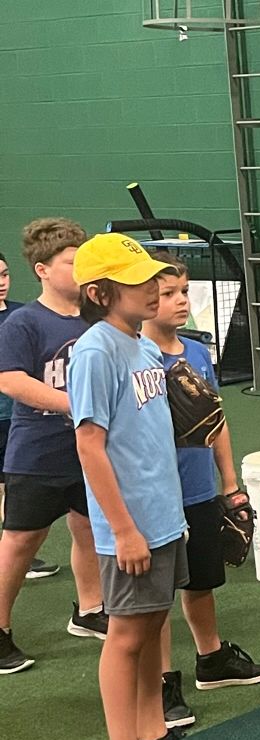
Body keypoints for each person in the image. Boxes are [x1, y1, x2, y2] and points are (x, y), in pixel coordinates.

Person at [66, 233, 185, 740]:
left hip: (163, 517)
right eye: (135, 281)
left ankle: (153, 735)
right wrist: (125, 528)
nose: (150, 288)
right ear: (99, 291)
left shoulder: (140, 345)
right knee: (126, 638)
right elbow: (90, 446)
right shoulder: (96, 350)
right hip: (131, 526)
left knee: (152, 627)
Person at [143, 254, 260, 728]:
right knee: (157, 594)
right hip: (155, 495)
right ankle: (161, 683)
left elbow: (215, 421)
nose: (180, 301)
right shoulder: (135, 357)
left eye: (184, 291)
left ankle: (212, 659)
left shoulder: (196, 353)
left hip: (198, 489)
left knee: (201, 582)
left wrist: (230, 483)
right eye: (167, 294)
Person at [0, 219, 109, 676]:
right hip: (37, 452)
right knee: (22, 540)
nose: (81, 272)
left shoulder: (97, 319)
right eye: (71, 264)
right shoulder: (24, 320)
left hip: (90, 452)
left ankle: (89, 609)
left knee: (88, 528)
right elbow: (11, 380)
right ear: (43, 270)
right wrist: (77, 404)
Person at [0, 249, 62, 585]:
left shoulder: (19, 313)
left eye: (5, 275)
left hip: (19, 420)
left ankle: (90, 608)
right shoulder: (23, 322)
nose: (1, 284)